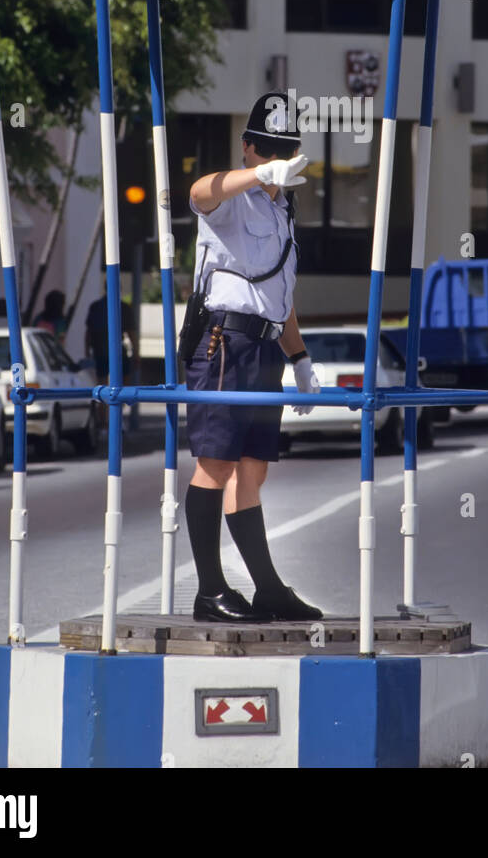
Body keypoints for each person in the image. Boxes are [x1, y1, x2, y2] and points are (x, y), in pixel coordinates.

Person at [182, 92, 323, 625]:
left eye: (285, 153)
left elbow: (278, 296)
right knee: (215, 464)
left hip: (265, 346)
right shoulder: (233, 199)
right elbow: (198, 191)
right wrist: (260, 174)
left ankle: (267, 589)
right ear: (247, 147)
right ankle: (209, 591)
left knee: (253, 470)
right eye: (266, 151)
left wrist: (301, 359)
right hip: (225, 342)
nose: (275, 163)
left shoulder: (283, 209)